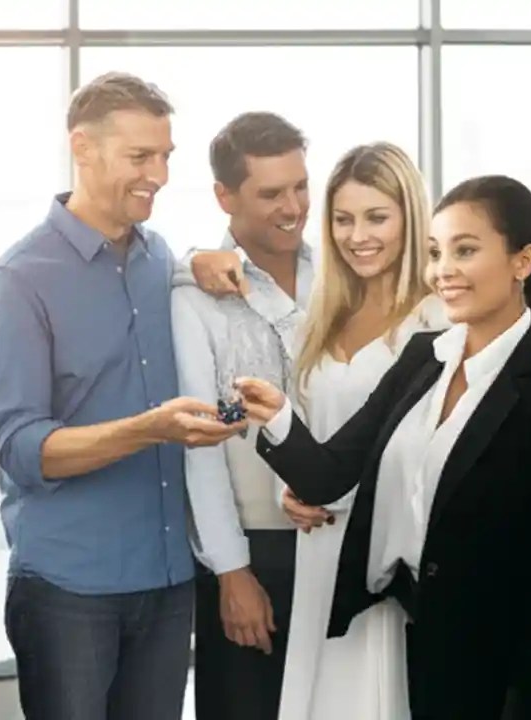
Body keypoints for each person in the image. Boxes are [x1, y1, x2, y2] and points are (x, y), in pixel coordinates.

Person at [235, 174, 531, 719]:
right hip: (423, 653)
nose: (443, 271)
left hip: (504, 679)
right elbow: (330, 473)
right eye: (436, 252)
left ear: (523, 261)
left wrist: (530, 704)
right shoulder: (423, 358)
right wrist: (276, 415)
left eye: (466, 250)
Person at [0, 71, 246, 720]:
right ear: (83, 149)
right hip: (69, 590)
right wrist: (149, 428)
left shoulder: (162, 261)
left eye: (165, 157)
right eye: (139, 157)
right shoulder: (19, 282)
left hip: (168, 582)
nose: (157, 173)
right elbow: (21, 449)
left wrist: (206, 254)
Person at [275, 142, 447, 720]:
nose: (358, 235)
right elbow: (313, 434)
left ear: (410, 218)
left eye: (377, 216)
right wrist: (292, 490)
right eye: (344, 219)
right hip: (318, 545)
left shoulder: (436, 321)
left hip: (384, 553)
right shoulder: (318, 321)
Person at [170, 111, 314, 720]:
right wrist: (232, 572)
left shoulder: (338, 275)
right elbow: (198, 445)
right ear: (225, 196)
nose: (293, 207)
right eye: (272, 193)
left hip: (340, 543)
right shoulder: (192, 297)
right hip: (253, 552)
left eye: (302, 186)